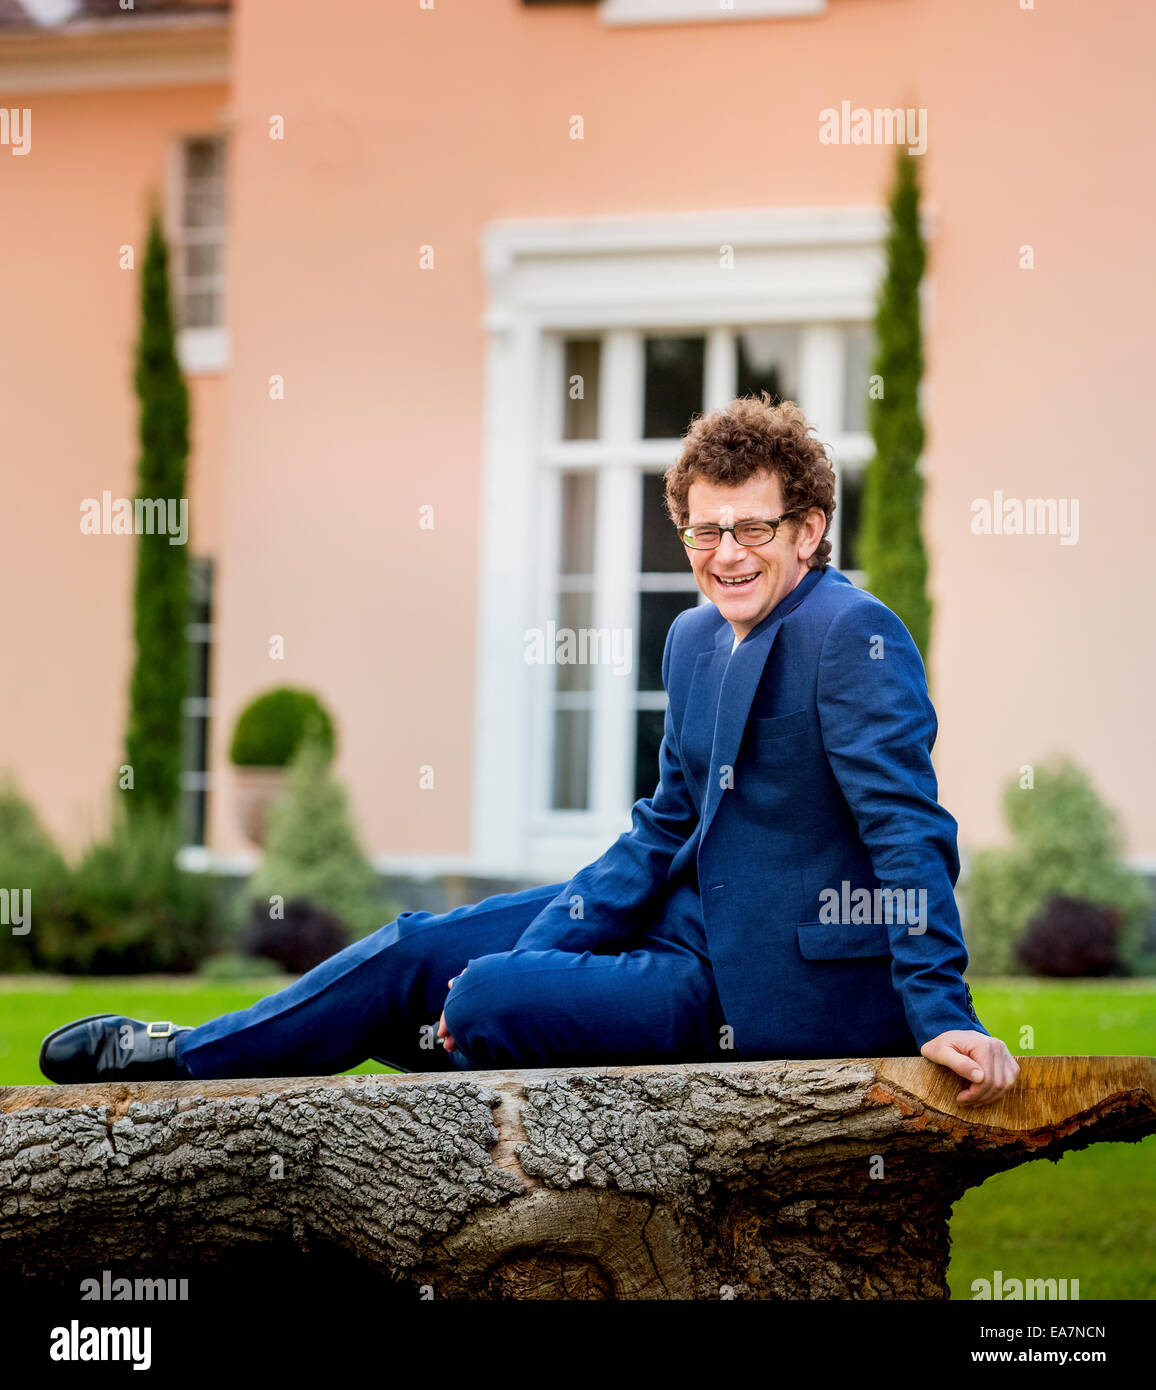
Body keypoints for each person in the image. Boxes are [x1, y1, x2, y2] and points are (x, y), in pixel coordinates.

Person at [40, 395, 1019, 1108]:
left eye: (752, 527)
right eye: (703, 530)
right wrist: (545, 938)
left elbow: (907, 830)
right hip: (673, 923)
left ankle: (482, 1025)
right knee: (417, 948)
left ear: (808, 528)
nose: (725, 553)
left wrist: (938, 1008)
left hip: (766, 988)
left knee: (489, 994)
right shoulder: (691, 639)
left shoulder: (853, 633)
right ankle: (178, 1061)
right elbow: (664, 825)